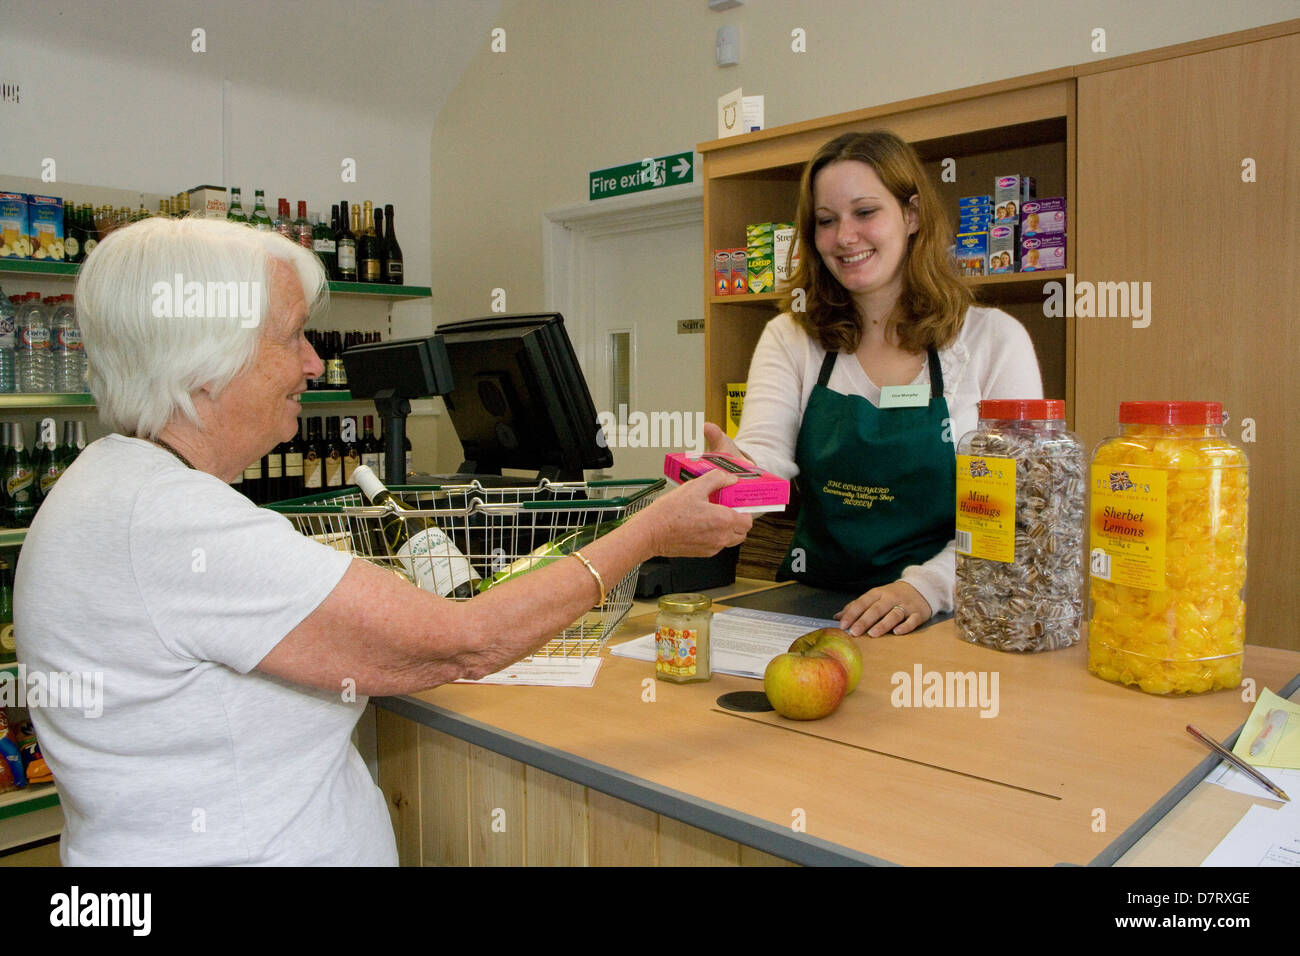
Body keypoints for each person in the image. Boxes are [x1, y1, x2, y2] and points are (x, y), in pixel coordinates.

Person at [14, 216, 751, 866]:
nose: (313, 362)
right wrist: (647, 532)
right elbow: (466, 640)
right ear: (208, 363)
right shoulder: (175, 525)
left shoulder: (106, 485)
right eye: (291, 335)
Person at [706, 130, 1041, 639]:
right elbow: (766, 461)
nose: (844, 237)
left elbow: (1014, 509)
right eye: (826, 220)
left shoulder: (994, 340)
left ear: (910, 216)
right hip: (815, 609)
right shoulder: (792, 336)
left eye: (865, 212)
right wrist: (727, 473)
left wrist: (926, 587)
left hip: (954, 613)